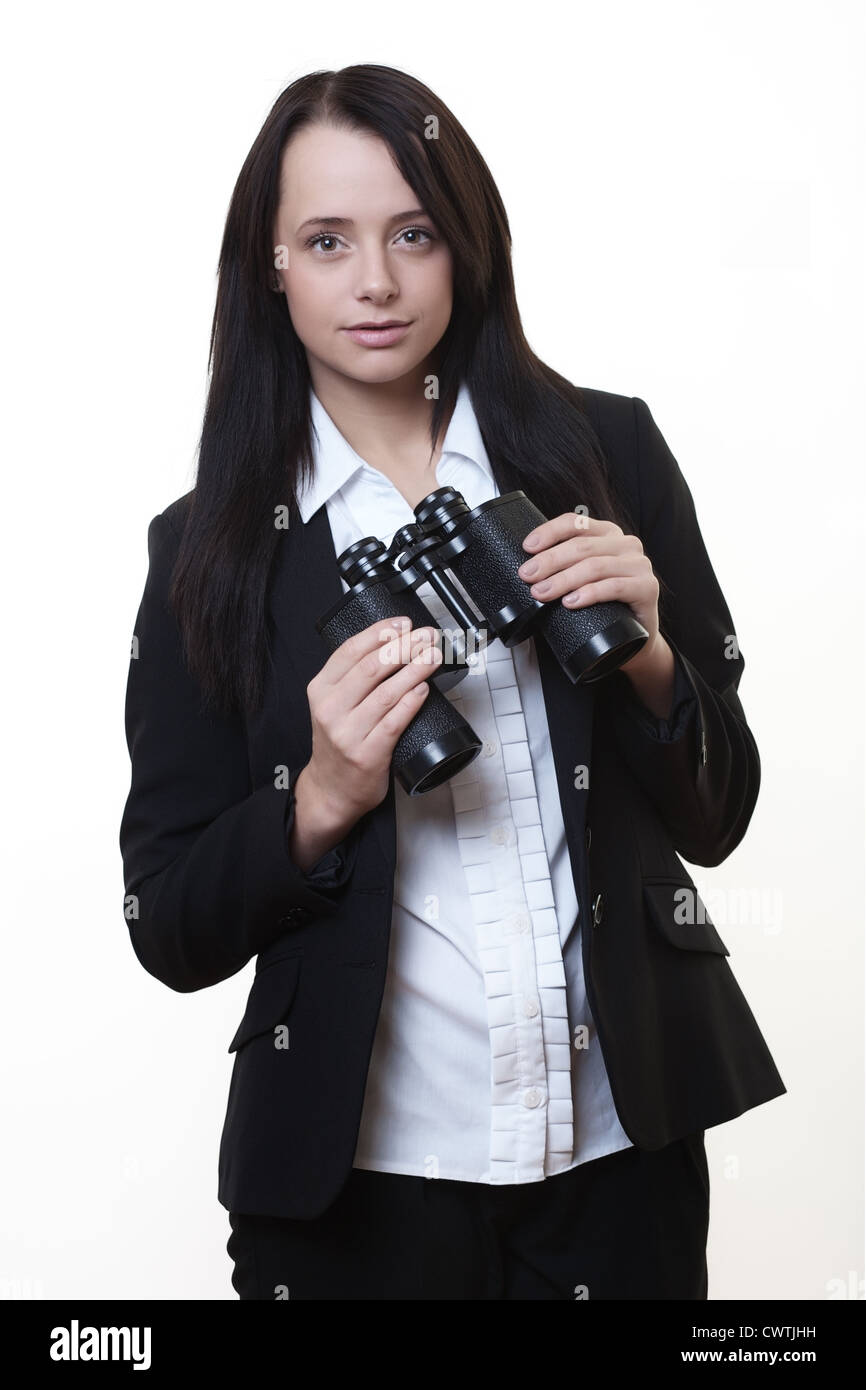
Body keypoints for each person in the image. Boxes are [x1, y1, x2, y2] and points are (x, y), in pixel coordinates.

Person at [119, 63, 786, 1301]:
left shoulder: (608, 452)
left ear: (465, 245)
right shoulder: (210, 547)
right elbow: (168, 922)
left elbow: (721, 812)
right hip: (356, 1186)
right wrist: (320, 796)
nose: (374, 281)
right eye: (326, 240)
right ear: (270, 265)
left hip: (614, 1165)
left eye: (412, 234)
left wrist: (644, 658)